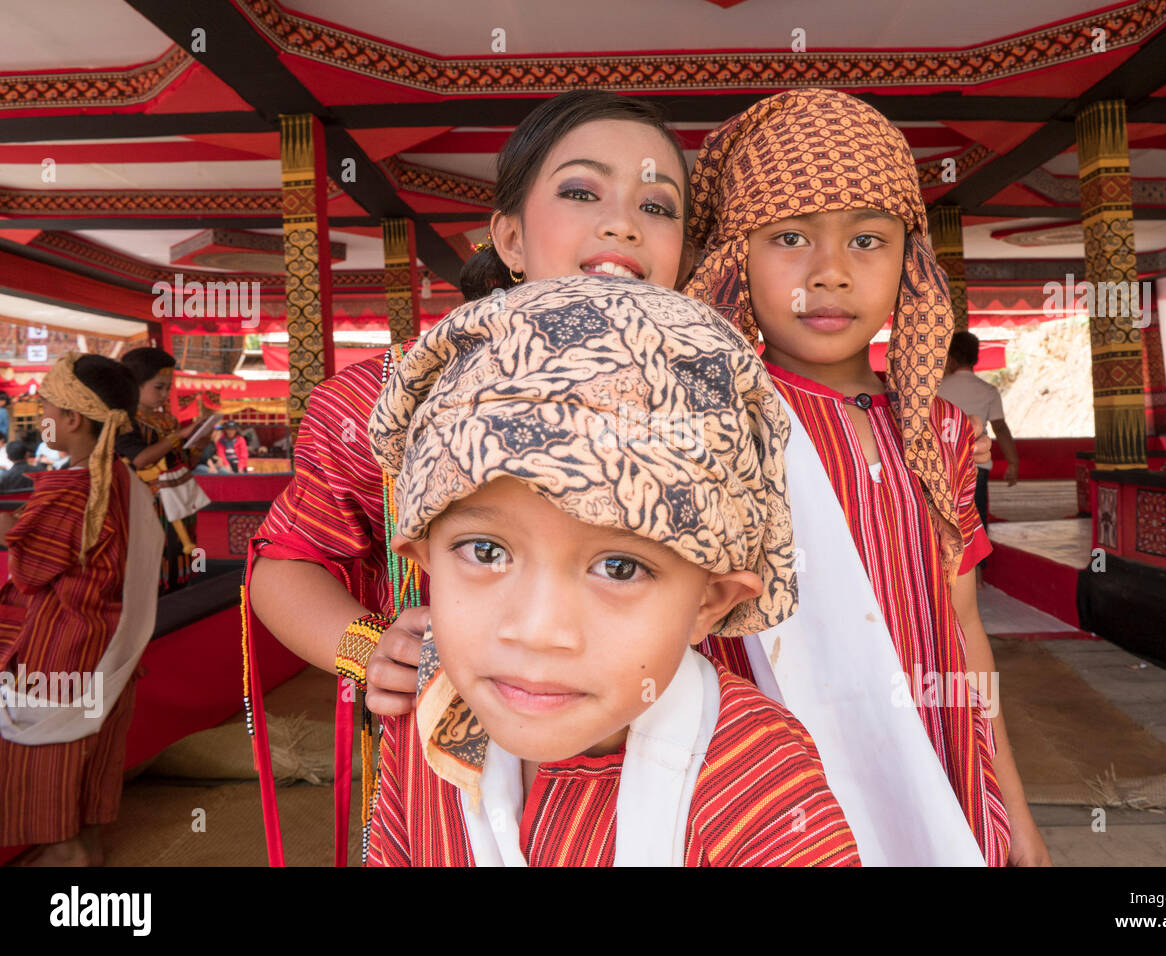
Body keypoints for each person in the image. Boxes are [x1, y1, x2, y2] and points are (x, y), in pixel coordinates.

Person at [247, 90, 988, 865]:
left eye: (658, 206)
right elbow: (285, 562)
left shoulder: (714, 393)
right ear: (507, 233)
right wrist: (367, 647)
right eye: (580, 192)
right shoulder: (398, 392)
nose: (623, 223)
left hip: (688, 772)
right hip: (459, 751)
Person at [363, 274, 857, 865]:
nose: (537, 629)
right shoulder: (430, 711)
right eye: (486, 552)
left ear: (711, 600)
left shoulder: (759, 782)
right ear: (423, 559)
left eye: (620, 567)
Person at [684, 89, 1050, 866]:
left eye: (867, 241)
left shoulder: (942, 431)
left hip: (940, 775)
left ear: (909, 263)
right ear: (735, 259)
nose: (831, 274)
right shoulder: (712, 424)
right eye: (789, 237)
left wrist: (1010, 805)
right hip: (769, 792)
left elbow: (963, 629)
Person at [0, 354, 164, 866]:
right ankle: (86, 845)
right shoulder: (122, 480)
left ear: (72, 419)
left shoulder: (72, 490)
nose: (39, 413)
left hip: (60, 651)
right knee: (91, 751)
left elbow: (28, 573)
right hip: (109, 650)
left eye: (45, 404)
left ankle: (64, 852)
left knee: (42, 760)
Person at [115, 348, 214, 594]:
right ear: (132, 385)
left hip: (178, 500)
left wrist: (198, 444)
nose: (164, 394)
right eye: (158, 387)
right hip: (144, 505)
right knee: (151, 566)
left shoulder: (167, 421)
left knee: (180, 558)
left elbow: (183, 463)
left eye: (167, 388)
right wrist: (178, 435)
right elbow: (139, 459)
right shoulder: (123, 422)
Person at [938, 330, 1020, 561]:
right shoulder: (988, 391)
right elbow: (1000, 428)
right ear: (975, 359)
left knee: (942, 517)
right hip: (976, 464)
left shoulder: (936, 388)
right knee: (976, 517)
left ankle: (945, 566)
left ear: (950, 358)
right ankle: (977, 574)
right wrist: (1013, 461)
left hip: (941, 465)